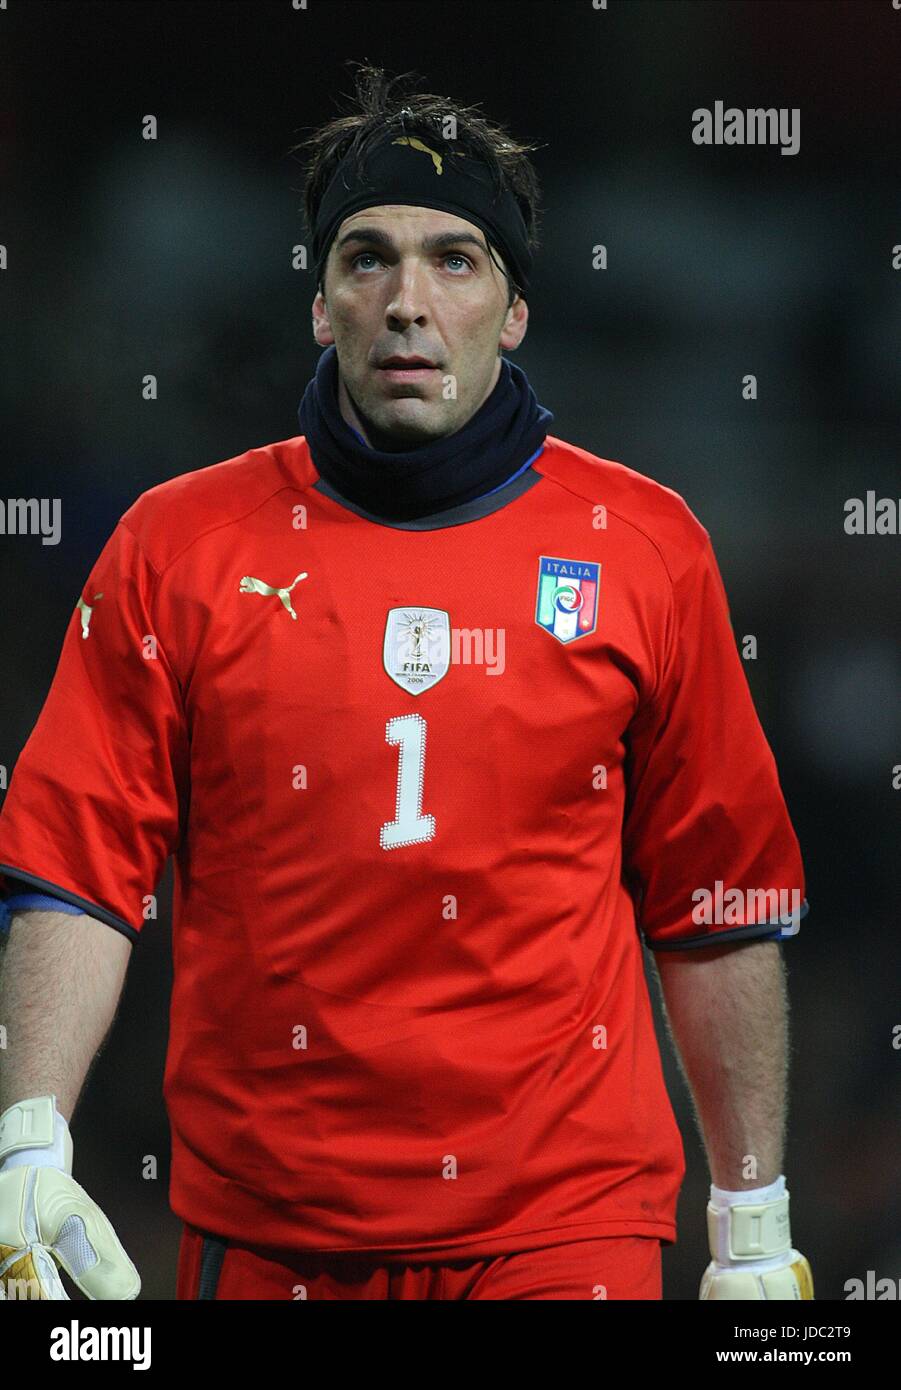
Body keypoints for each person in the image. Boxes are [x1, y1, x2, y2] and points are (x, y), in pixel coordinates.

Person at [0, 64, 812, 1301]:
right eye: (366, 259)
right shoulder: (177, 547)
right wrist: (27, 1141)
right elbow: (74, 863)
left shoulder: (645, 548)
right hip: (272, 1226)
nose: (407, 302)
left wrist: (753, 1216)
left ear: (516, 308)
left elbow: (718, 901)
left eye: (456, 259)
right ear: (321, 305)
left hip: (563, 1228)